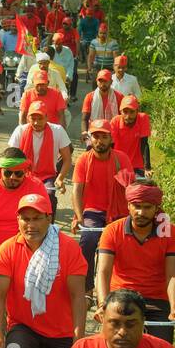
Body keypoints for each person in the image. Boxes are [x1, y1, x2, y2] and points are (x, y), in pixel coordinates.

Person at [0, 194, 88, 348]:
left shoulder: (69, 248)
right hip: (24, 327)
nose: (30, 225)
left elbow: (78, 296)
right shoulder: (8, 249)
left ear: (49, 219)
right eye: (25, 219)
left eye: (37, 218)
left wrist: (79, 339)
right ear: (18, 220)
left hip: (63, 331)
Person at [96, 180, 175, 343]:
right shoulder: (112, 231)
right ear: (128, 205)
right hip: (121, 298)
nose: (141, 212)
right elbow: (103, 271)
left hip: (157, 301)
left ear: (157, 208)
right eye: (136, 206)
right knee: (115, 346)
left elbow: (173, 275)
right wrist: (103, 304)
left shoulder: (170, 232)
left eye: (147, 207)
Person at [69, 120, 134, 295]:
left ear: (111, 138)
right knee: (88, 240)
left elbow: (130, 189)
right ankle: (87, 287)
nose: (100, 141)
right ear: (90, 139)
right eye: (96, 136)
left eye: (104, 136)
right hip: (92, 212)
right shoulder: (84, 160)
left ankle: (119, 286)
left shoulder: (121, 159)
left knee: (125, 245)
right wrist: (79, 217)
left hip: (119, 211)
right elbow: (76, 190)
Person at [7, 101, 72, 212]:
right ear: (28, 118)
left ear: (47, 117)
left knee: (49, 196)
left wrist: (60, 178)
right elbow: (9, 158)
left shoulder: (58, 131)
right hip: (23, 174)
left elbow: (67, 159)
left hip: (47, 176)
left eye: (40, 118)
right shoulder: (20, 130)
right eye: (33, 119)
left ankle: (48, 226)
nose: (36, 123)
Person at [110, 95, 152, 176]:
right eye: (125, 112)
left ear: (137, 111)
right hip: (118, 164)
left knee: (139, 187)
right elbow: (111, 146)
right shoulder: (115, 122)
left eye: (132, 112)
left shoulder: (143, 118)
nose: (128, 116)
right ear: (120, 111)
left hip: (137, 165)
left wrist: (147, 168)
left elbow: (144, 144)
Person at [80, 68, 123, 140]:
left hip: (113, 135)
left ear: (111, 82)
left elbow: (122, 118)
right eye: (100, 81)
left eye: (105, 81)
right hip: (94, 134)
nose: (103, 84)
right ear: (96, 82)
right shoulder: (90, 97)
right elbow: (85, 119)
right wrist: (84, 131)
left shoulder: (119, 97)